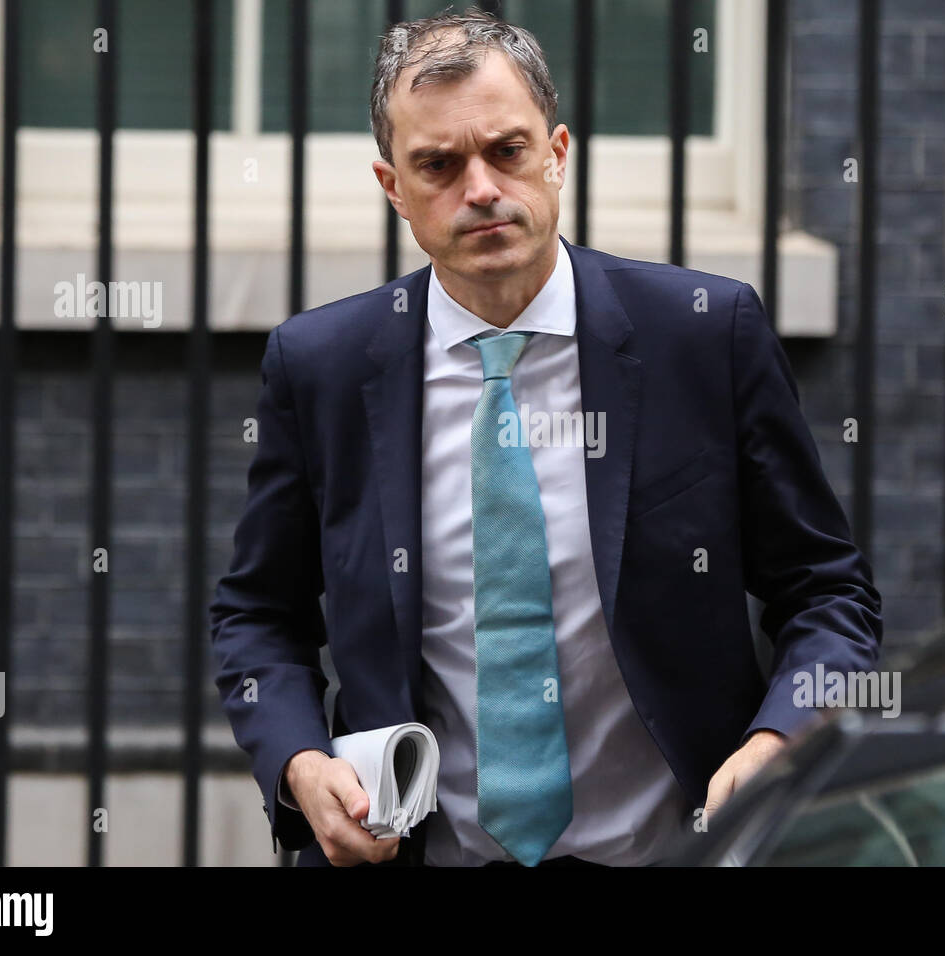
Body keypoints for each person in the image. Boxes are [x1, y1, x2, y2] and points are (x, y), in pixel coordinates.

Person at [208, 7, 881, 868]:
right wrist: (300, 762)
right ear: (393, 188)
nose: (481, 188)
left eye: (507, 151)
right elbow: (258, 613)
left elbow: (829, 592)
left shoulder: (704, 336)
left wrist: (778, 740)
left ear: (558, 154)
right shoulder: (323, 366)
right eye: (439, 165)